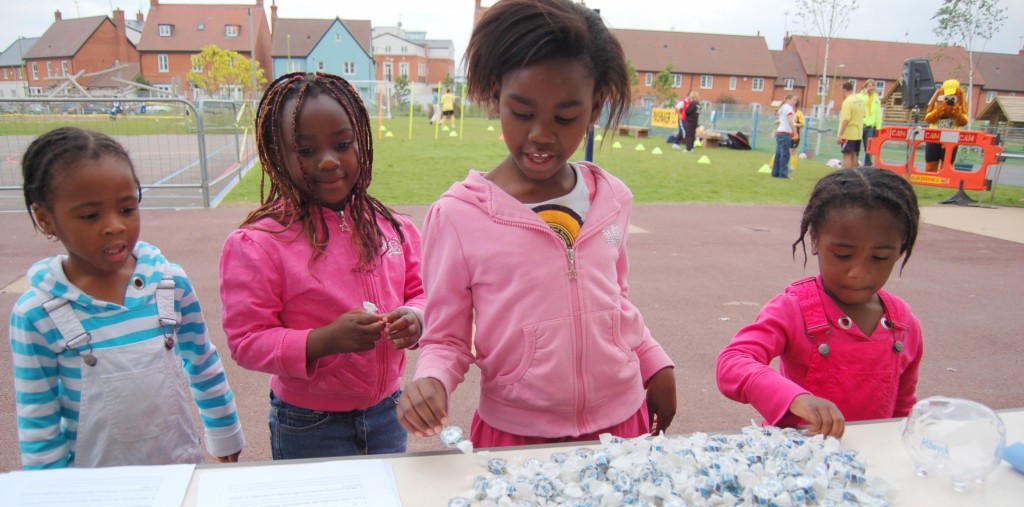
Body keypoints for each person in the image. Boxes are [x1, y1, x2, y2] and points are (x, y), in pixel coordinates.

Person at [397, 0, 676, 448]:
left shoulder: (613, 199)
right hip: (516, 436)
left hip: (623, 422)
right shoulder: (457, 216)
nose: (542, 134)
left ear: (596, 106)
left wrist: (653, 361)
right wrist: (431, 380)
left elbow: (617, 301)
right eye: (523, 113)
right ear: (494, 94)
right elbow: (445, 338)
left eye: (565, 117)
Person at [219, 72, 425, 459]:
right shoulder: (259, 244)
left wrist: (416, 317)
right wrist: (321, 341)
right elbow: (247, 341)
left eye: (343, 144)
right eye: (306, 150)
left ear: (361, 143)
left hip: (387, 410)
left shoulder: (394, 228)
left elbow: (423, 292)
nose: (329, 160)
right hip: (308, 422)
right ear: (277, 154)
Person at [11, 127, 244, 468]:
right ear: (46, 219)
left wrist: (224, 431)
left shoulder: (169, 284)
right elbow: (38, 419)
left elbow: (203, 362)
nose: (114, 226)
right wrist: (53, 497)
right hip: (93, 491)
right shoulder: (36, 313)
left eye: (126, 209)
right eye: (90, 215)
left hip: (179, 470)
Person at [716, 167, 923, 439]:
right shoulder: (793, 309)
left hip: (867, 464)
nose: (858, 272)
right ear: (814, 240)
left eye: (880, 258)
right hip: (794, 459)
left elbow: (903, 407)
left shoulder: (904, 325)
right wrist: (795, 398)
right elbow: (732, 362)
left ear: (900, 249)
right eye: (842, 254)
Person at [837, 81, 865, 169]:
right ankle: (855, 175)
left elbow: (845, 120)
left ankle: (847, 176)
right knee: (854, 155)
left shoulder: (847, 102)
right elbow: (864, 115)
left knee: (847, 155)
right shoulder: (861, 100)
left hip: (848, 133)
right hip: (858, 133)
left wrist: (840, 135)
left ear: (844, 90)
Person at [772, 94, 796, 179]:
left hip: (780, 132)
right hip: (785, 132)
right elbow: (790, 121)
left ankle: (775, 172)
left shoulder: (782, 108)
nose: (795, 102)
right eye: (793, 100)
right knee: (785, 154)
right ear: (788, 99)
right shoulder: (788, 109)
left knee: (778, 153)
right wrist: (795, 132)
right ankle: (783, 174)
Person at [860, 79, 881, 166]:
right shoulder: (861, 96)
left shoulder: (876, 99)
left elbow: (878, 115)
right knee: (856, 146)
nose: (871, 88)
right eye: (869, 86)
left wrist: (878, 128)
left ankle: (867, 164)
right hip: (861, 125)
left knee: (869, 148)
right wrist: (865, 95)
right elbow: (861, 104)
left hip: (870, 126)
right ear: (865, 87)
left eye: (873, 86)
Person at [790, 99, 805, 173]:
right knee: (783, 149)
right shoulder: (788, 112)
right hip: (787, 134)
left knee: (793, 150)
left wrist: (795, 124)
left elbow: (802, 124)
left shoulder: (799, 113)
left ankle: (793, 168)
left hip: (795, 135)